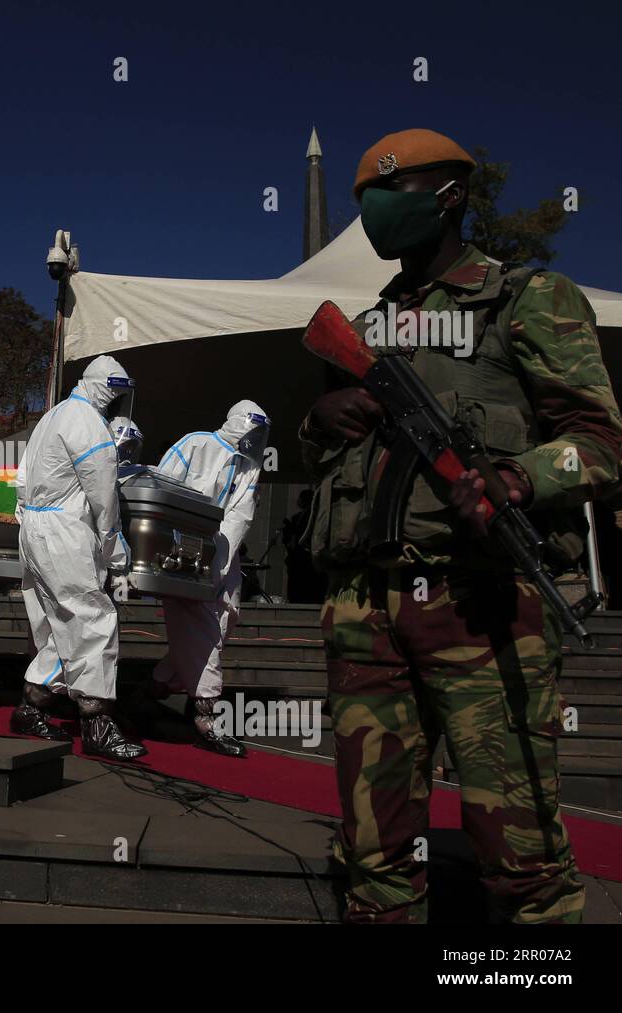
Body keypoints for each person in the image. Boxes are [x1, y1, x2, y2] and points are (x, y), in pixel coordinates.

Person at [303, 128, 622, 923]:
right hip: (366, 607)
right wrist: (320, 415)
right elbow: (327, 449)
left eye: (392, 193)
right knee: (372, 849)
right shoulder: (370, 324)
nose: (374, 212)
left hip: (480, 607)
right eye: (365, 200)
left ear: (451, 200)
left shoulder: (528, 299)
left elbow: (602, 443)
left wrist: (518, 476)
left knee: (520, 852)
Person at [9, 355, 146, 759]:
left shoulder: (52, 417)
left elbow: (22, 478)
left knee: (58, 625)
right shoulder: (88, 422)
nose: (119, 401)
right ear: (107, 389)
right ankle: (97, 723)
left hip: (34, 528)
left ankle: (31, 706)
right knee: (93, 619)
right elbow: (103, 493)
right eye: (117, 393)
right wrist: (113, 543)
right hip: (65, 530)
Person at [150, 401, 269, 758]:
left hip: (221, 553)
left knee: (223, 621)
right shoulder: (196, 444)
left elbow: (239, 517)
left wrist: (219, 563)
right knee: (202, 631)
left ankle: (155, 688)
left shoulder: (249, 467)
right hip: (181, 549)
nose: (253, 439)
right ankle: (206, 716)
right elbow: (162, 487)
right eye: (250, 429)